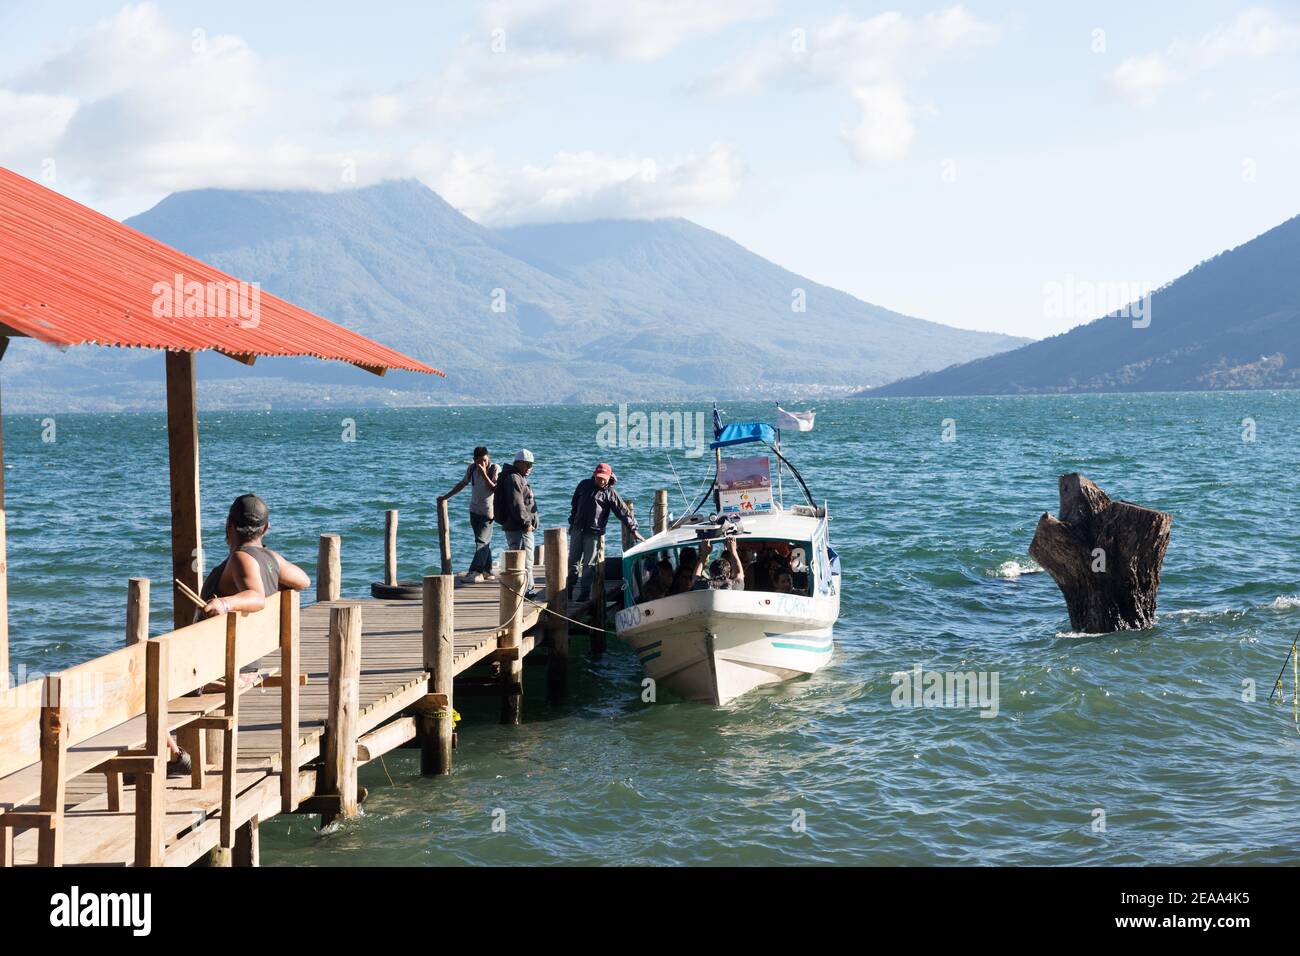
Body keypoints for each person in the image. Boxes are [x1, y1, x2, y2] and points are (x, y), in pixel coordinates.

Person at [168, 494, 309, 778]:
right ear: (266, 529)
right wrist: (276, 581)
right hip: (238, 660)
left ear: (228, 526)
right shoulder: (272, 558)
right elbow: (303, 580)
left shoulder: (241, 558)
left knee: (141, 689)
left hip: (212, 670)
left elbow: (255, 596)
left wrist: (225, 603)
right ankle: (171, 755)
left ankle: (173, 755)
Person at [567, 463, 643, 602]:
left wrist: (633, 529)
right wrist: (572, 522)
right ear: (594, 475)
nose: (601, 481)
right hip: (578, 529)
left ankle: (584, 594)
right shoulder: (584, 485)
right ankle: (568, 591)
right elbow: (575, 504)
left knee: (589, 565)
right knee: (572, 562)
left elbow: (623, 512)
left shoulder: (610, 492)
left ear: (609, 478)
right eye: (599, 478)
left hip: (594, 533)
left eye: (604, 478)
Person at [438, 446, 500, 583]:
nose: (483, 463)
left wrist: (484, 473)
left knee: (481, 541)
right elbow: (462, 484)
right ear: (474, 460)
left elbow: (494, 488)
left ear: (488, 457)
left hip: (488, 512)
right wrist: (446, 496)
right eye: (479, 461)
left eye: (485, 460)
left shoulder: (494, 468)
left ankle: (475, 571)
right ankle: (487, 570)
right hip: (474, 511)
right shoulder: (471, 469)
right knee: (483, 542)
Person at [494, 449, 540, 598]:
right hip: (519, 529)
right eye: (526, 464)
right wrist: (526, 523)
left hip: (518, 527)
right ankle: (526, 590)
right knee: (525, 560)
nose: (529, 468)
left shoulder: (516, 477)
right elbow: (517, 504)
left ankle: (527, 588)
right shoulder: (513, 478)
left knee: (525, 559)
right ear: (518, 463)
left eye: (531, 465)